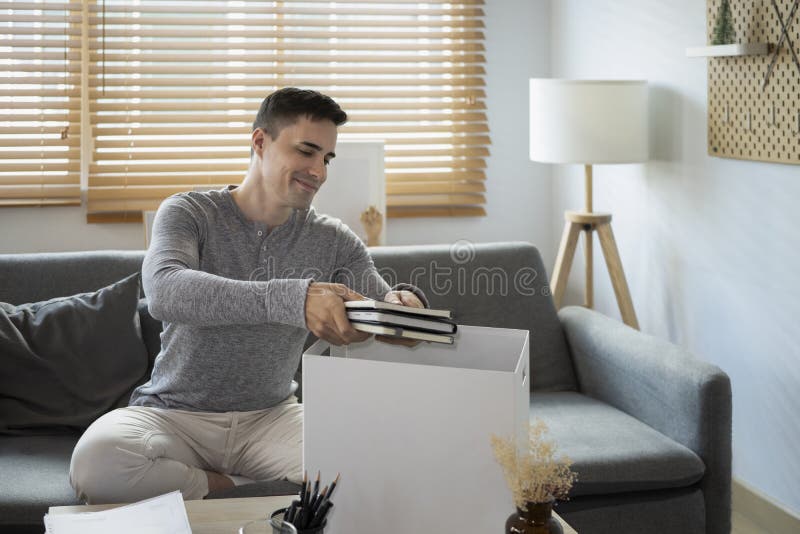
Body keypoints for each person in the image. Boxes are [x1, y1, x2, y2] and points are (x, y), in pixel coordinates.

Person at [69, 88, 426, 504]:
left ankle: (217, 488)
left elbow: (383, 306)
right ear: (260, 142)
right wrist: (296, 298)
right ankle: (228, 488)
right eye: (307, 151)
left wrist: (406, 305)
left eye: (326, 158)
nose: (319, 171)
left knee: (378, 461)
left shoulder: (332, 240)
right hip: (174, 416)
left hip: (272, 418)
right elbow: (165, 290)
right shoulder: (190, 213)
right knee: (96, 463)